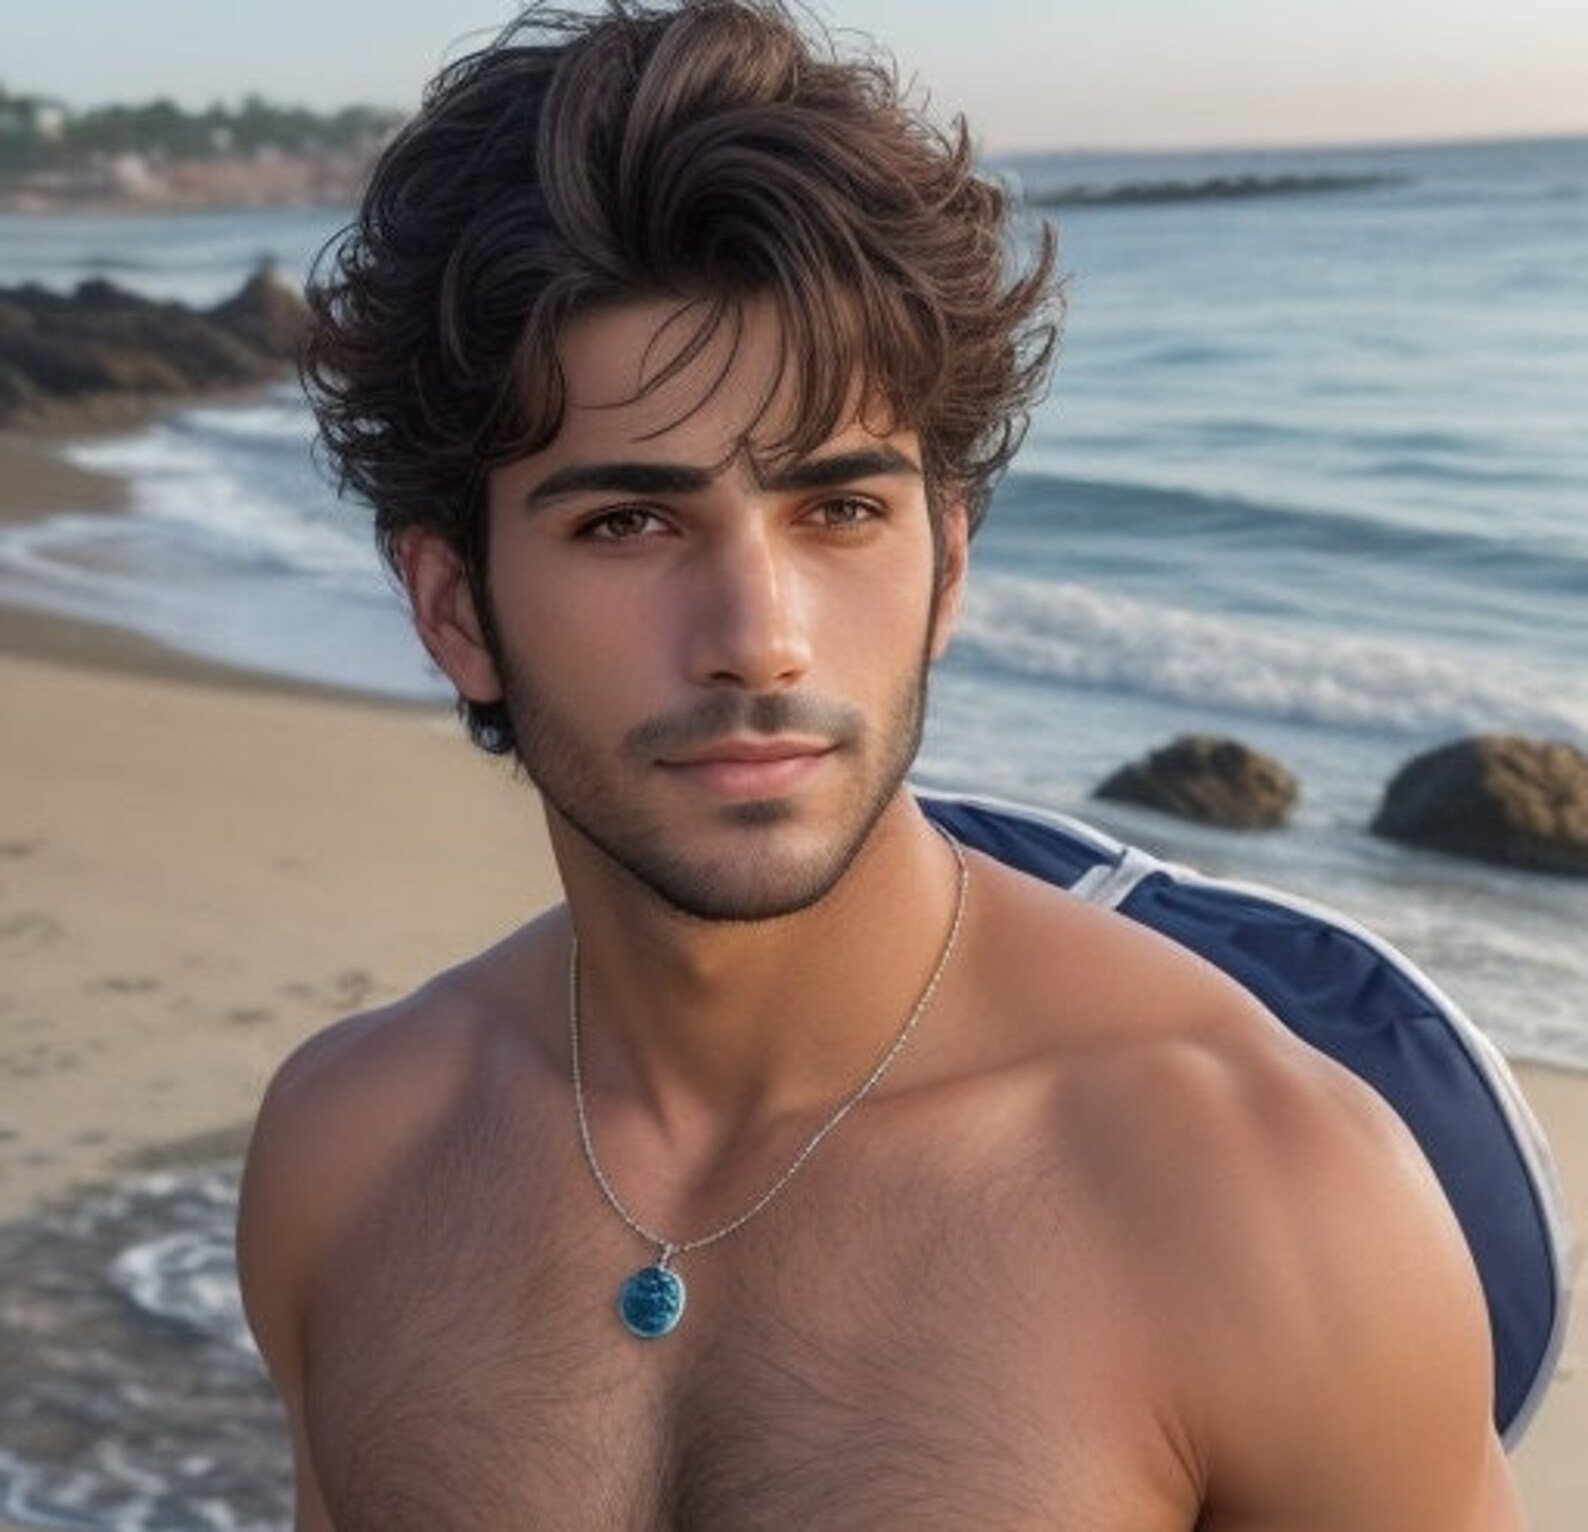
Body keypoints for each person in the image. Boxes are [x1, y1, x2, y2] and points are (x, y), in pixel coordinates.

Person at [237, 2, 1524, 1526]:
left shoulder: (1268, 1199)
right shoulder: (353, 1152)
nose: (758, 638)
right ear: (457, 608)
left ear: (947, 570)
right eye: (627, 524)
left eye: (839, 511)